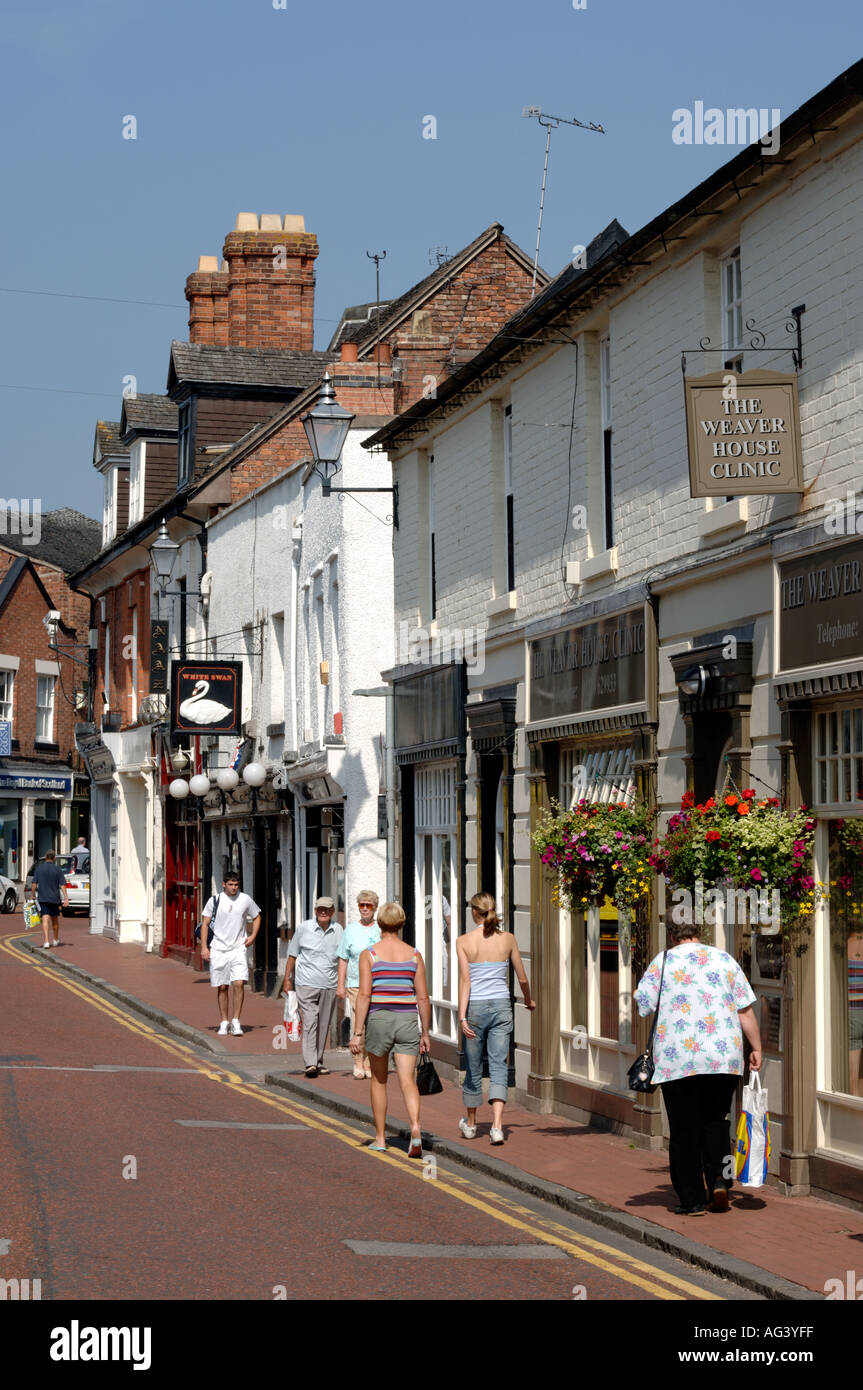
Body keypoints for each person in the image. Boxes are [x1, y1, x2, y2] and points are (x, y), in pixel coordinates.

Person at [634, 917, 762, 1216]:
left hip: (678, 1059)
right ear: (698, 933)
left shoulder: (664, 962)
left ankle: (691, 1199)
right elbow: (744, 1010)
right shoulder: (723, 959)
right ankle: (719, 1180)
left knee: (683, 1128)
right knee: (716, 1121)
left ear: (671, 935)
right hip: (722, 1058)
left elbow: (643, 1005)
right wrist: (755, 1047)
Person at [350, 901, 430, 1155]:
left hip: (379, 1020)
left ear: (380, 923)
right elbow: (423, 998)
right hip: (407, 1020)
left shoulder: (369, 955)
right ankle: (415, 1128)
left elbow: (364, 994)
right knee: (408, 1080)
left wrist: (357, 1032)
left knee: (379, 1080)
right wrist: (425, 1032)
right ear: (402, 923)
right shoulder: (415, 955)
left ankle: (381, 1138)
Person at [456, 891, 535, 1145]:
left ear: (474, 912)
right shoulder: (508, 939)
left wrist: (462, 1017)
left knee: (474, 1065)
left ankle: (470, 1124)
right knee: (500, 1065)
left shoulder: (464, 941)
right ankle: (498, 1127)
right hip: (502, 1005)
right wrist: (529, 999)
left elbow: (465, 982)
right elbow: (522, 977)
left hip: (476, 1008)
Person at [285, 897, 343, 1078]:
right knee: (311, 1021)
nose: (323, 912)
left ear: (332, 911)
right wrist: (287, 979)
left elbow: (342, 958)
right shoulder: (304, 928)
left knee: (324, 1023)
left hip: (329, 984)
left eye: (326, 909)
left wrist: (342, 982)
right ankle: (310, 1063)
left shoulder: (338, 929)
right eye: (320, 909)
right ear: (315, 910)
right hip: (306, 983)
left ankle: (318, 1061)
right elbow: (292, 954)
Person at [200, 873, 261, 1037]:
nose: (234, 887)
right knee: (222, 986)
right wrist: (204, 947)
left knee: (239, 983)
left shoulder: (245, 899)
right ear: (224, 884)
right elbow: (205, 924)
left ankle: (236, 1021)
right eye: (231, 884)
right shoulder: (214, 901)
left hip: (238, 948)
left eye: (236, 884)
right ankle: (224, 1021)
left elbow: (257, 916)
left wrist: (253, 936)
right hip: (219, 948)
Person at [336, 888, 382, 1079]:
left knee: (374, 1025)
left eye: (368, 905)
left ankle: (370, 1063)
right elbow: (343, 959)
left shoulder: (380, 930)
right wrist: (340, 985)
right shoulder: (350, 930)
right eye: (361, 905)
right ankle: (357, 1062)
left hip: (377, 985)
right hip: (355, 984)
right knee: (358, 1025)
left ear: (375, 907)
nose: (364, 909)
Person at [26, 850, 69, 949]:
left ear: (46, 857)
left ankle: (46, 941)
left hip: (43, 898)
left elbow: (34, 883)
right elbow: (62, 885)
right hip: (54, 898)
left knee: (45, 919)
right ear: (54, 858)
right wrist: (66, 898)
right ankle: (55, 939)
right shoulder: (58, 869)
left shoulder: (39, 869)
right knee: (55, 920)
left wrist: (33, 894)